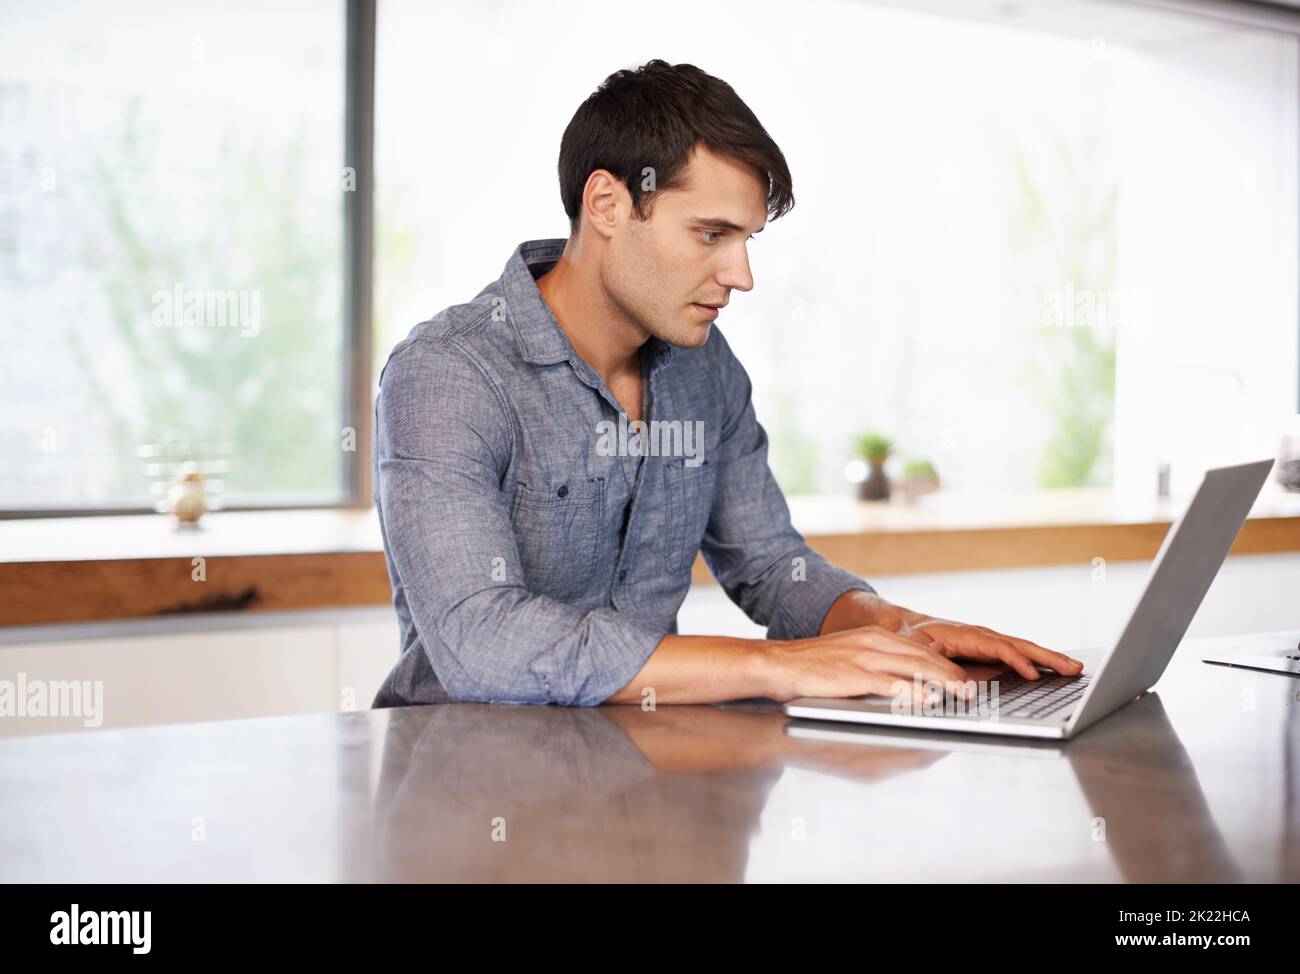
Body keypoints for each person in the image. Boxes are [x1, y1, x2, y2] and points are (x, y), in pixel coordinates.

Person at [371, 59, 1083, 709]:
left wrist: (897, 627)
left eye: (747, 241)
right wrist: (780, 667)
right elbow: (482, 638)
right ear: (608, 204)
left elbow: (770, 566)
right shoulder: (450, 374)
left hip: (641, 771)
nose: (741, 276)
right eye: (711, 235)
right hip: (467, 779)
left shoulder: (704, 367)